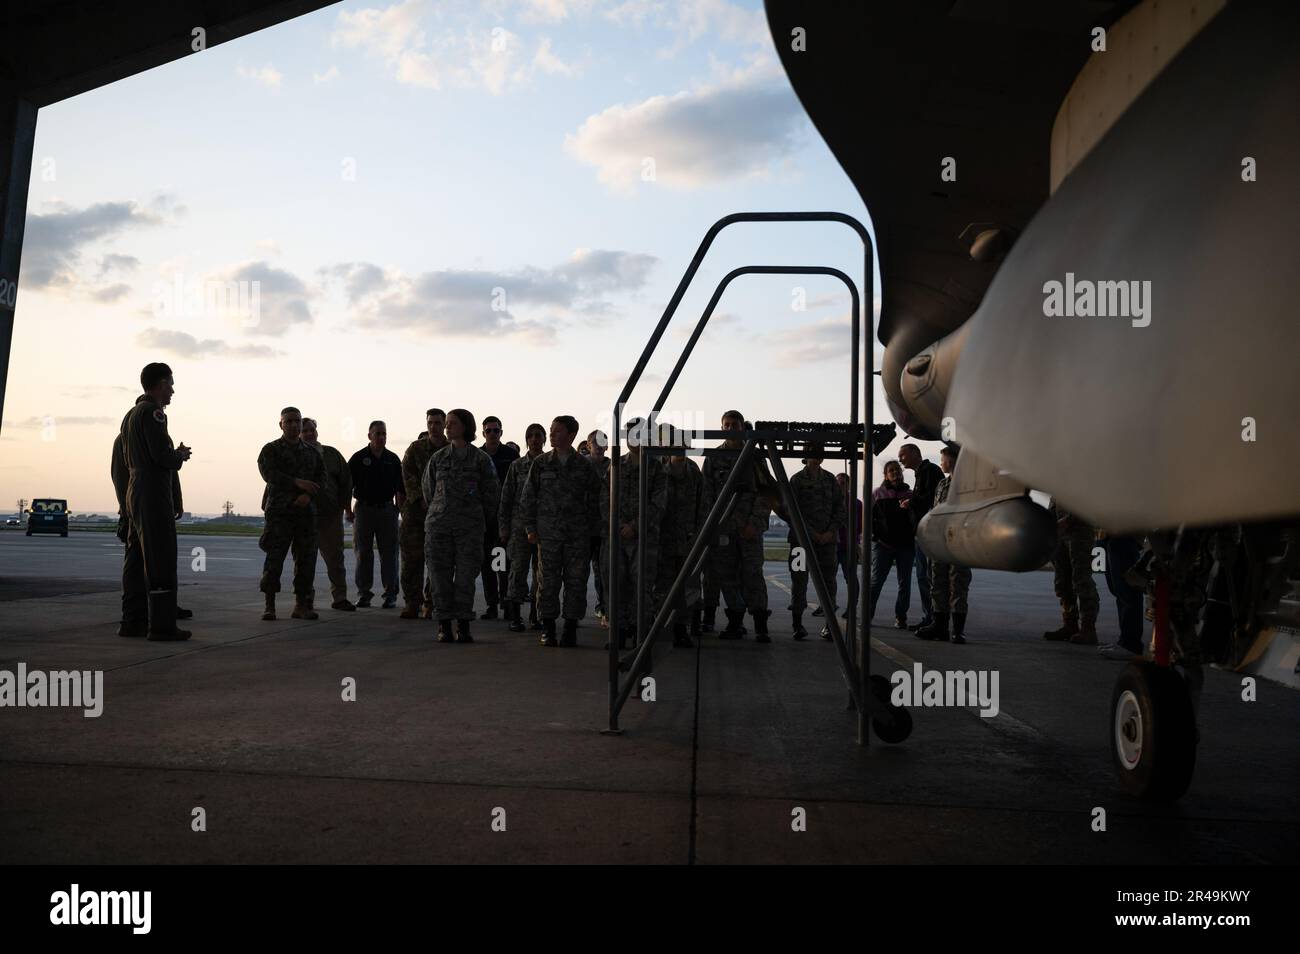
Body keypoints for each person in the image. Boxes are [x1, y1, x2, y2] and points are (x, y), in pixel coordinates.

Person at [120, 363, 193, 640]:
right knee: (161, 559)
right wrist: (179, 456)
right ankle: (162, 626)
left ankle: (133, 621)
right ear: (160, 384)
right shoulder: (154, 413)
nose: (172, 390)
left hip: (135, 491)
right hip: (152, 493)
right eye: (170, 384)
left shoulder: (130, 415)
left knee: (136, 559)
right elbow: (161, 457)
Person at [520, 415, 600, 647]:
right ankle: (548, 627)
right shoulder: (541, 463)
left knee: (576, 582)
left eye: (557, 431)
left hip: (578, 537)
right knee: (547, 583)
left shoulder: (585, 467)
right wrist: (530, 528)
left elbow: (596, 502)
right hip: (549, 535)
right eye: (551, 430)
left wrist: (594, 534)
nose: (552, 434)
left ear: (571, 435)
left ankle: (570, 627)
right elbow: (528, 498)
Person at [423, 409, 500, 643]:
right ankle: (444, 625)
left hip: (469, 530)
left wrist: (477, 519)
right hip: (439, 529)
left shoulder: (480, 459)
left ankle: (463, 625)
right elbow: (428, 491)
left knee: (465, 579)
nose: (447, 427)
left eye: (452, 423)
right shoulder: (438, 458)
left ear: (466, 426)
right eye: (446, 423)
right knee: (439, 577)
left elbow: (491, 493)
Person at [701, 411, 773, 641]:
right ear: (721, 428)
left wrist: (755, 523)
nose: (731, 428)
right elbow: (707, 495)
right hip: (724, 529)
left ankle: (761, 625)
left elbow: (766, 492)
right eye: (727, 425)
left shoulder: (755, 456)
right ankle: (735, 623)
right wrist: (714, 526)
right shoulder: (713, 457)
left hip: (749, 530)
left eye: (735, 424)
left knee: (753, 575)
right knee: (728, 577)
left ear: (742, 427)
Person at [603, 416, 667, 655]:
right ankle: (617, 632)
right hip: (617, 537)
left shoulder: (656, 468)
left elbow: (658, 504)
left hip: (644, 538)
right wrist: (619, 525)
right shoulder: (616, 465)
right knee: (615, 583)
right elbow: (605, 499)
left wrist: (635, 527)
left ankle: (640, 633)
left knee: (642, 586)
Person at [257, 407, 324, 621]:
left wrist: (309, 496)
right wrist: (296, 482)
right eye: (289, 421)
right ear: (281, 425)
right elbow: (269, 473)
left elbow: (322, 479)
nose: (294, 425)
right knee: (274, 560)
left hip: (305, 515)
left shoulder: (312, 453)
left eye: (298, 421)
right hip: (280, 514)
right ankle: (269, 605)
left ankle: (301, 605)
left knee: (306, 561)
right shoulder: (271, 450)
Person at [782, 442, 844, 641]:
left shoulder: (830, 480)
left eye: (818, 454)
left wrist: (830, 532)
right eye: (812, 454)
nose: (816, 458)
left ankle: (829, 625)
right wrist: (810, 533)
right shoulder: (797, 480)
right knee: (799, 580)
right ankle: (797, 623)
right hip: (801, 542)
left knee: (829, 583)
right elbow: (791, 510)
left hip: (827, 543)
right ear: (805, 457)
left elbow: (840, 508)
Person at [656, 425, 709, 648]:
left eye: (681, 444)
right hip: (662, 539)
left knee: (687, 588)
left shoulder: (694, 471)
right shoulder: (657, 469)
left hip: (687, 539)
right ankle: (660, 628)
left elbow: (703, 505)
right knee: (661, 587)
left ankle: (682, 628)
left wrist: (698, 534)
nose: (678, 448)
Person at [916, 445, 972, 643]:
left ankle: (958, 630)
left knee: (958, 584)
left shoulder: (968, 483)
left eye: (944, 459)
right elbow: (934, 510)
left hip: (959, 541)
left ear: (953, 460)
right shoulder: (941, 484)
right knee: (937, 582)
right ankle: (940, 626)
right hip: (940, 542)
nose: (941, 463)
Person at [347, 421, 404, 609]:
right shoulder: (358, 458)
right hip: (364, 509)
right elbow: (347, 486)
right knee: (363, 553)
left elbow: (400, 487)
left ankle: (390, 595)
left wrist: (398, 509)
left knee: (390, 554)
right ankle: (364, 594)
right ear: (369, 435)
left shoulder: (393, 459)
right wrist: (348, 510)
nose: (381, 437)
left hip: (387, 510)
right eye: (378, 433)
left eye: (384, 434)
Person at [301, 417, 355, 612]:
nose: (309, 433)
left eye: (312, 430)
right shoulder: (293, 455)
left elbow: (346, 482)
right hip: (303, 517)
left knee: (335, 559)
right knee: (305, 560)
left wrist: (343, 507)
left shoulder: (331, 455)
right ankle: (305, 599)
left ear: (317, 431)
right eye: (304, 430)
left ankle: (340, 597)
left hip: (330, 517)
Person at [399, 409, 447, 619]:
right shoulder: (415, 449)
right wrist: (420, 498)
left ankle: (431, 602)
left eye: (437, 423)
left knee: (437, 561)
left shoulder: (451, 449)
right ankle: (412, 602)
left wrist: (438, 501)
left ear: (444, 424)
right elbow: (407, 474)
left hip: (442, 514)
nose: (433, 427)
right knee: (411, 560)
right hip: (416, 513)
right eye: (430, 423)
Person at [499, 423, 546, 632]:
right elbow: (506, 498)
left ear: (544, 439)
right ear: (526, 439)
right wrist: (503, 527)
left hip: (545, 527)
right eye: (531, 436)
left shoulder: (549, 464)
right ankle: (515, 615)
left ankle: (537, 615)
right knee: (517, 572)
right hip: (519, 528)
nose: (534, 439)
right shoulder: (517, 466)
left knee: (542, 574)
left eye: (538, 435)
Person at [897, 443, 944, 632]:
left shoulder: (930, 470)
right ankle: (930, 617)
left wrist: (911, 501)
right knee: (923, 576)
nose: (900, 459)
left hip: (929, 533)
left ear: (915, 453)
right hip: (921, 532)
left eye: (903, 455)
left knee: (929, 577)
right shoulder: (921, 473)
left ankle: (934, 618)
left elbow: (933, 498)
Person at [477, 415, 519, 620]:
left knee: (502, 563)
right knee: (486, 564)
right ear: (483, 433)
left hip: (503, 519)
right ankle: (491, 604)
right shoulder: (476, 455)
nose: (493, 434)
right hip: (483, 519)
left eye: (496, 430)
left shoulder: (510, 455)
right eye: (489, 431)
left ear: (501, 433)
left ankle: (506, 601)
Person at [1043, 499, 1101, 645]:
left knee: (1081, 580)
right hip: (1061, 531)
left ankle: (1088, 629)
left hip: (1079, 531)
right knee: (1062, 582)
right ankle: (1070, 624)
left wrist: (1068, 520)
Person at [867, 460, 914, 628]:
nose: (895, 473)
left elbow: (915, 519)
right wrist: (874, 536)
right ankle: (867, 614)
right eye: (891, 470)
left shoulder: (910, 494)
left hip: (905, 545)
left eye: (897, 470)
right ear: (885, 475)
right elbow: (868, 518)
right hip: (883, 544)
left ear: (901, 473)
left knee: (905, 582)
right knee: (876, 581)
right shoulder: (877, 494)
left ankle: (901, 617)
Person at [1097, 532, 1146, 659]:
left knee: (1128, 592)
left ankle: (1131, 645)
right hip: (1114, 536)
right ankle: (1124, 641)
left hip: (1125, 534)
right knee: (1120, 592)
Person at [832, 471, 863, 630]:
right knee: (828, 577)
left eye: (843, 483)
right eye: (838, 483)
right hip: (832, 544)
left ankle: (852, 607)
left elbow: (859, 527)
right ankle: (829, 604)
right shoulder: (831, 500)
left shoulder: (856, 504)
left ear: (848, 485)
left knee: (850, 578)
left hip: (847, 546)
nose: (840, 486)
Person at [587, 429, 611, 626]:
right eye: (595, 442)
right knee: (576, 572)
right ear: (588, 445)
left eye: (603, 442)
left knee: (603, 570)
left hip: (604, 528)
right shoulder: (579, 465)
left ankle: (604, 609)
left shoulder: (614, 466)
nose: (599, 446)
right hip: (582, 528)